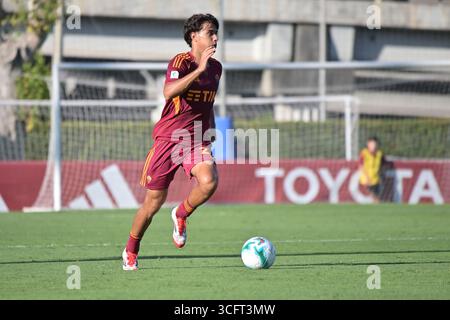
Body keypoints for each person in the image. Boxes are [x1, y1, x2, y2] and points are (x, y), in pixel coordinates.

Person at [122, 14, 222, 270]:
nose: (215, 38)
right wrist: (199, 69)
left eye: (216, 32)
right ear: (193, 36)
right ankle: (131, 249)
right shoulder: (181, 62)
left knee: (209, 181)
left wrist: (208, 131)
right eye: (210, 32)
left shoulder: (216, 68)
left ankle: (181, 213)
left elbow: (206, 104)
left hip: (195, 140)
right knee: (153, 202)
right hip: (168, 140)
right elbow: (168, 92)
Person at [359, 136, 386, 203]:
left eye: (375, 144)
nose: (373, 146)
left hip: (376, 179)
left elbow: (383, 165)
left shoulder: (380, 153)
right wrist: (366, 177)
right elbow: (360, 166)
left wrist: (381, 174)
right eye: (372, 144)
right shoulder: (364, 153)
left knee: (376, 197)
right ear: (368, 144)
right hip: (366, 179)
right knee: (374, 196)